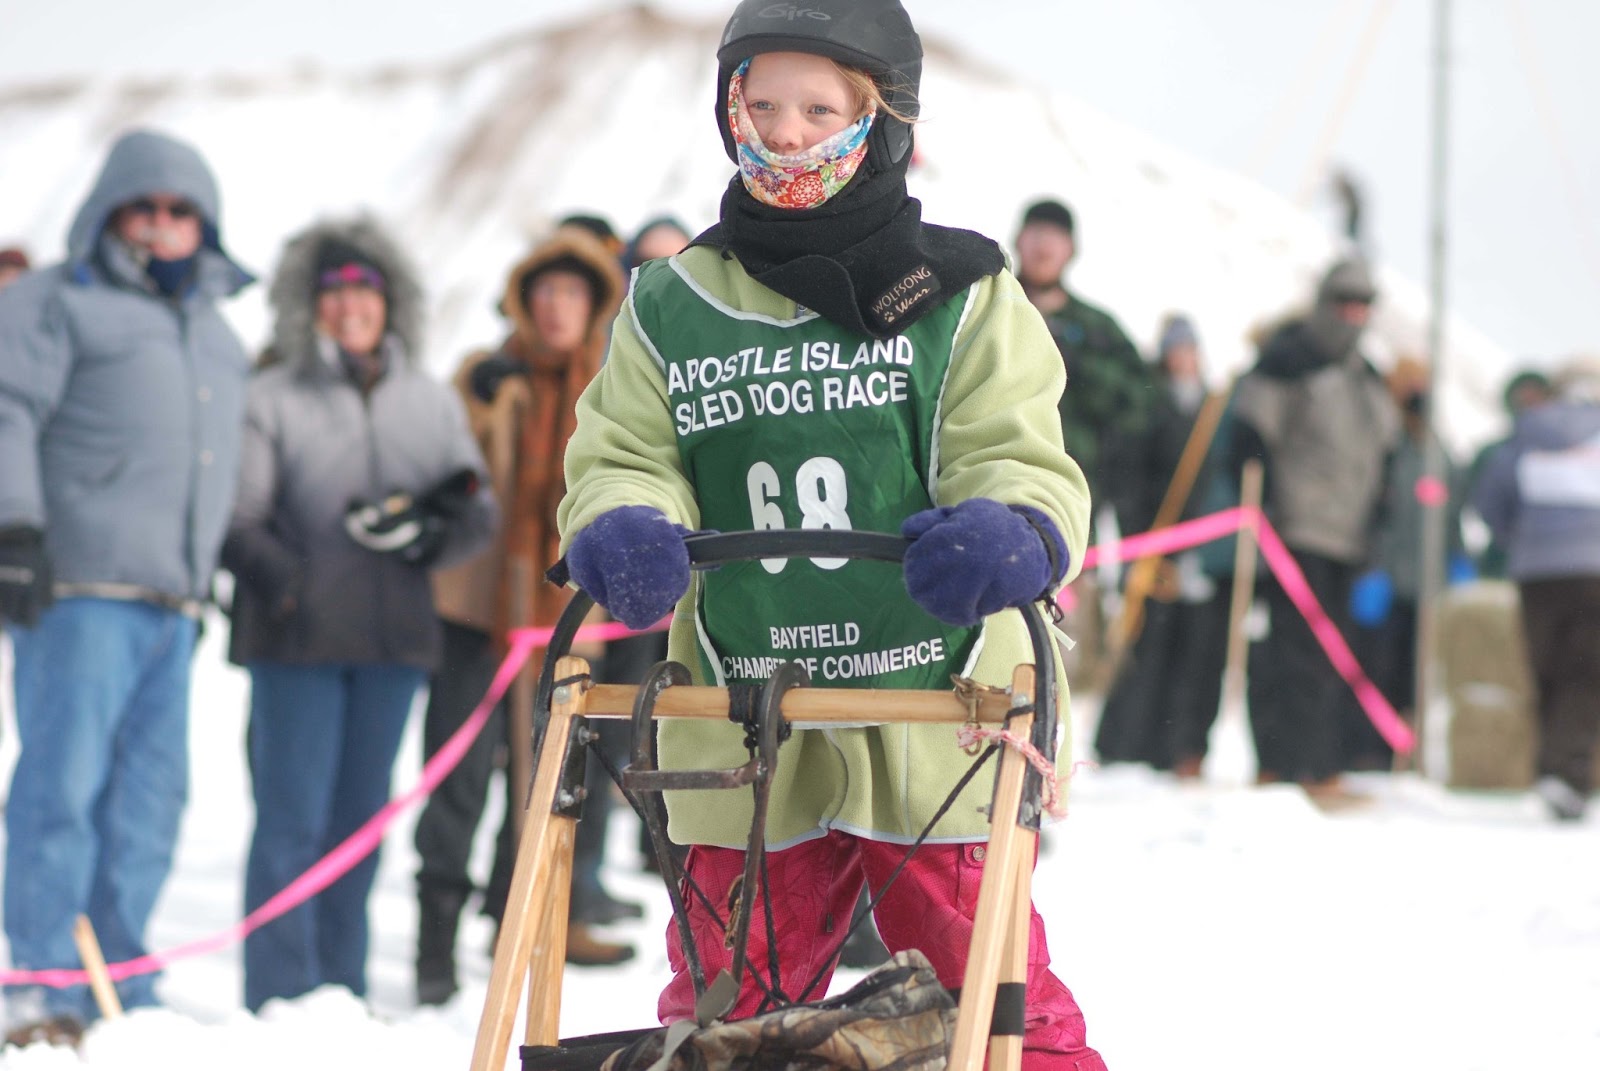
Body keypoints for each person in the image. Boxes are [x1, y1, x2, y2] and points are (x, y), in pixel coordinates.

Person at [555, 3, 1104, 1067]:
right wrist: (624, 520)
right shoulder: (672, 301)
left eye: (818, 108)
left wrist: (1014, 523)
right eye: (760, 106)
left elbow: (1013, 441)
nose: (787, 134)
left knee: (989, 991)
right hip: (742, 710)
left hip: (939, 702)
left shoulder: (965, 293)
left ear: (881, 117)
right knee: (729, 1005)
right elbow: (624, 445)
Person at [0, 129, 253, 1044]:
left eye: (179, 210)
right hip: (77, 587)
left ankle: (118, 974)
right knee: (62, 786)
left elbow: (219, 464)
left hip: (172, 603)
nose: (159, 224)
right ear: (109, 214)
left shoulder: (220, 337)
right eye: (141, 206)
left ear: (204, 225)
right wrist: (14, 529)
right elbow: (7, 410)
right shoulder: (54, 302)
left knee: (152, 796)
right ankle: (36, 976)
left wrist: (239, 556)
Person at [221, 218, 496, 1012]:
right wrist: (292, 583)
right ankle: (276, 996)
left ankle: (338, 992)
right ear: (307, 307)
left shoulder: (429, 398)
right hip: (296, 640)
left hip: (393, 643)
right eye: (332, 295)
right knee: (291, 822)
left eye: (363, 294)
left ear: (391, 304)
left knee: (360, 827)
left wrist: (427, 532)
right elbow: (238, 520)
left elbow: (474, 504)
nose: (349, 309)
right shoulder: (272, 396)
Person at [413, 224, 630, 1005]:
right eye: (544, 293)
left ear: (593, 302)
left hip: (566, 618)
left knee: (549, 782)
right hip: (477, 615)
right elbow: (444, 462)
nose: (556, 306)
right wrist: (479, 401)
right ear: (523, 302)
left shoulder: (610, 383)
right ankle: (432, 943)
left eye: (572, 292)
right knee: (459, 781)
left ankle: (528, 919)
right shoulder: (485, 374)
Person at [1230, 257, 1399, 806]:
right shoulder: (1290, 358)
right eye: (1344, 302)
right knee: (1295, 651)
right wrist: (1259, 480)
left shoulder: (1365, 374)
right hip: (1295, 529)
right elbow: (1249, 430)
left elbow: (1387, 447)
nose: (1353, 315)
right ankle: (1292, 762)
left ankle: (1313, 759)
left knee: (1333, 654)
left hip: (1349, 537)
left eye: (1363, 305)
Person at [1013, 196, 1154, 690]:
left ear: (1071, 249)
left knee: (1064, 662)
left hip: (1074, 508)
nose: (1044, 245)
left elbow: (1138, 402)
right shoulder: (992, 307)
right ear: (1019, 240)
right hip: (993, 495)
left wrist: (1072, 358)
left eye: (1055, 236)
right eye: (1036, 233)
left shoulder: (1097, 329)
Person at [1093, 315, 1233, 778]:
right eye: (1175, 350)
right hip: (1154, 545)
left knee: (1192, 652)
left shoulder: (1213, 409)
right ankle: (1125, 746)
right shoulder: (1148, 408)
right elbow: (1128, 476)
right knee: (1145, 648)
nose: (1182, 359)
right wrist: (1142, 541)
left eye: (1188, 349)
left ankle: (1177, 748)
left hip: (1200, 551)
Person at [1471, 356, 1600, 822]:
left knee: (1544, 668)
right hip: (1595, 572)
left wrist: (1521, 540)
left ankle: (1549, 769)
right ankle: (1570, 775)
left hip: (1537, 574)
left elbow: (1490, 499)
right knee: (1586, 675)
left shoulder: (1526, 434)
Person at [1341, 356, 1471, 770]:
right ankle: (1366, 752)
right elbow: (1370, 511)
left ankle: (1405, 752)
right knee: (1374, 668)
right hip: (1384, 581)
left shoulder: (1438, 454)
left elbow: (1450, 518)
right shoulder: (1385, 445)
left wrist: (1458, 560)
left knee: (1413, 676)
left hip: (1425, 584)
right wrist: (1369, 567)